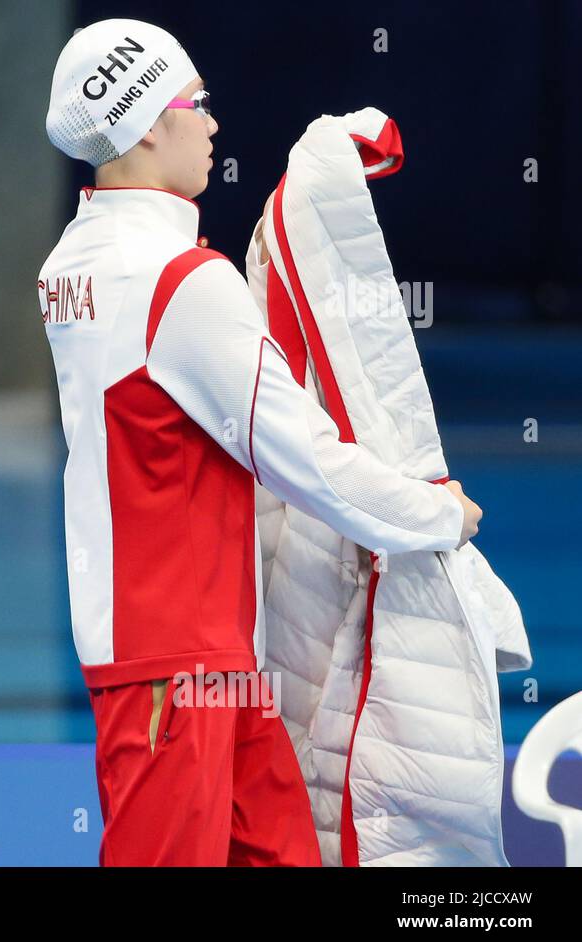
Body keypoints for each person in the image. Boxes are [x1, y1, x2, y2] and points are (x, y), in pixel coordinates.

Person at [36, 19, 483, 866]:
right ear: (145, 125)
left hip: (198, 655)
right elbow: (307, 462)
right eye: (195, 102)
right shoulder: (179, 280)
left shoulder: (74, 263)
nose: (212, 123)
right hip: (178, 666)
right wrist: (436, 515)